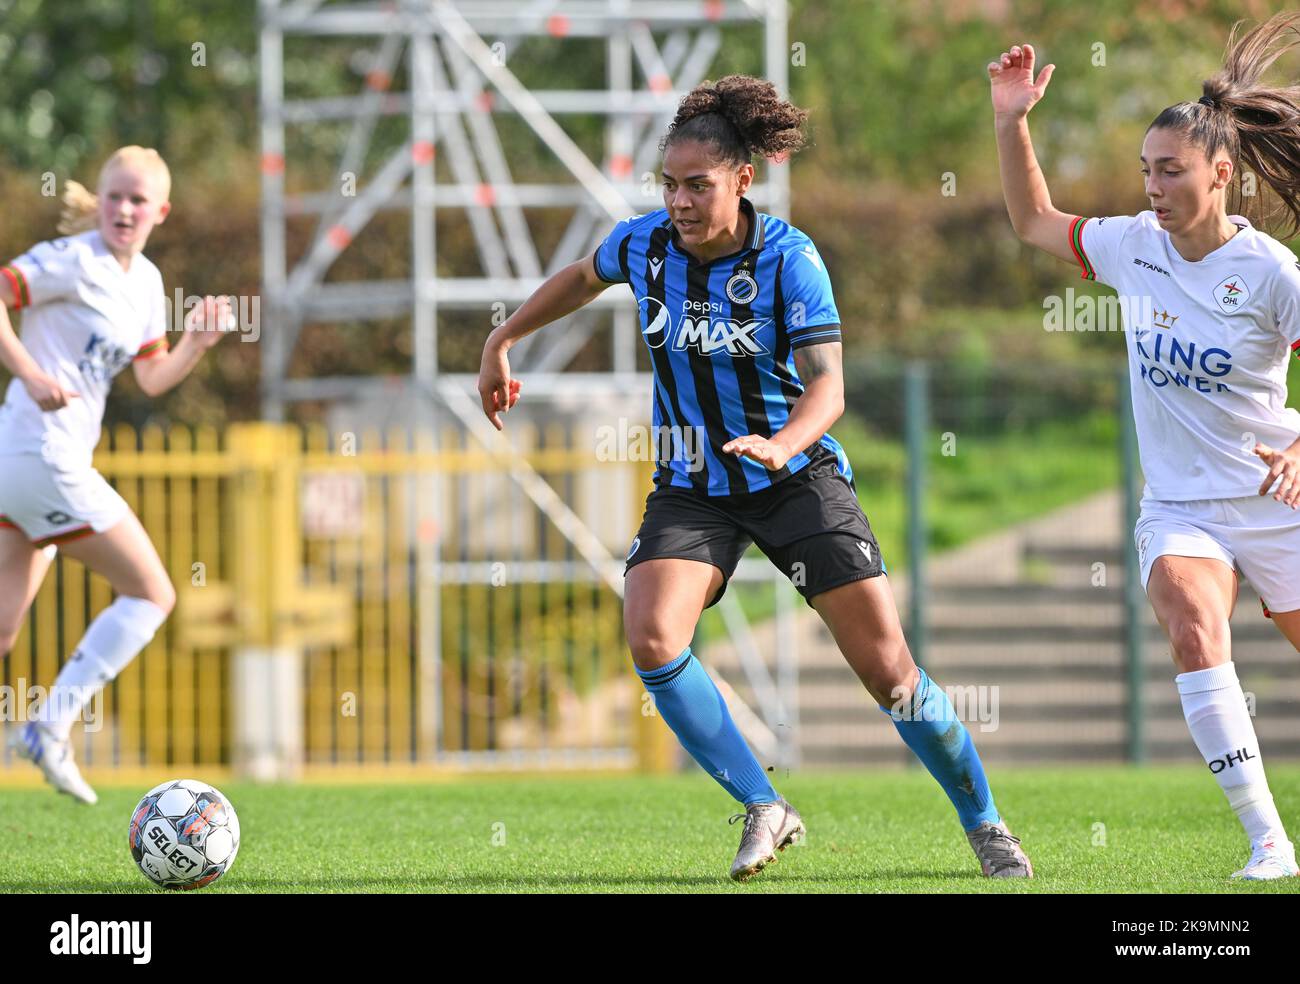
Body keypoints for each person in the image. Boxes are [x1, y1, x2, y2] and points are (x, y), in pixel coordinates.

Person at [479, 75, 1032, 881]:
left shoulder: (789, 259)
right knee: (652, 635)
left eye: (697, 185)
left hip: (796, 476)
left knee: (891, 673)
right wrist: (504, 340)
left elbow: (829, 387)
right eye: (668, 184)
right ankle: (764, 804)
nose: (679, 201)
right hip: (695, 482)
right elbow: (583, 274)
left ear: (743, 178)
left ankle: (984, 822)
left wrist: (782, 445)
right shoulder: (646, 245)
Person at [989, 14, 1300, 880]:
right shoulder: (1133, 247)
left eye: (1171, 170)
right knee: (1194, 624)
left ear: (1221, 173)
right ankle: (1268, 842)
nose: (1153, 186)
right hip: (1182, 507)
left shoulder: (1273, 274)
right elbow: (1033, 222)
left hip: (1276, 503)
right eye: (1145, 171)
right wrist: (1013, 119)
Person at [1, 146, 231, 803]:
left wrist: (197, 343)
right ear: (98, 201)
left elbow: (152, 377)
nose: (124, 209)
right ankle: (50, 724)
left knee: (3, 631)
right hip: (43, 457)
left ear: (161, 211)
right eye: (114, 196)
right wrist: (30, 373)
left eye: (137, 200)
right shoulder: (71, 260)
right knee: (154, 594)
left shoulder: (148, 283)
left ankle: (46, 725)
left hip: (22, 466)